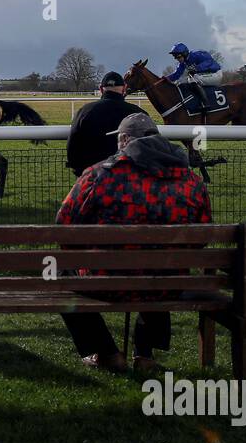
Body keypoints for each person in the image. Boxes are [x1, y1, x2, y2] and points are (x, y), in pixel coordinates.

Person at [55, 112, 212, 372]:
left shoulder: (98, 175)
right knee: (163, 262)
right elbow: (203, 233)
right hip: (167, 283)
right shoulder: (192, 181)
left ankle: (107, 353)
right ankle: (145, 355)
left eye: (118, 140)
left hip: (105, 281)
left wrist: (84, 253)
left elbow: (64, 225)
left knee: (59, 273)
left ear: (125, 140)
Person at [65, 70, 150, 176]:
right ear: (124, 88)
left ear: (101, 89)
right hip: (130, 181)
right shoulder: (139, 113)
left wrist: (82, 174)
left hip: (94, 179)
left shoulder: (85, 111)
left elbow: (72, 151)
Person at [167, 43, 222, 117]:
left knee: (193, 79)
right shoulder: (183, 63)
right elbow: (176, 75)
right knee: (180, 82)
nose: (176, 58)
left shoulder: (197, 54)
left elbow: (209, 61)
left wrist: (197, 68)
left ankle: (205, 104)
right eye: (174, 56)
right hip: (206, 76)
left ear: (184, 53)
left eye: (177, 56)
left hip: (216, 74)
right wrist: (164, 79)